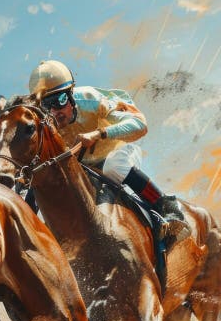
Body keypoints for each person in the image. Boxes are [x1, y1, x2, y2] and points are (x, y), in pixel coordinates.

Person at [28, 60, 189, 241]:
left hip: (119, 152)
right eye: (45, 106)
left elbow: (139, 124)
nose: (54, 113)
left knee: (113, 166)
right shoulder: (44, 125)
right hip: (85, 169)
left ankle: (166, 206)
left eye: (60, 101)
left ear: (71, 95)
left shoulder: (91, 99)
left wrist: (99, 134)